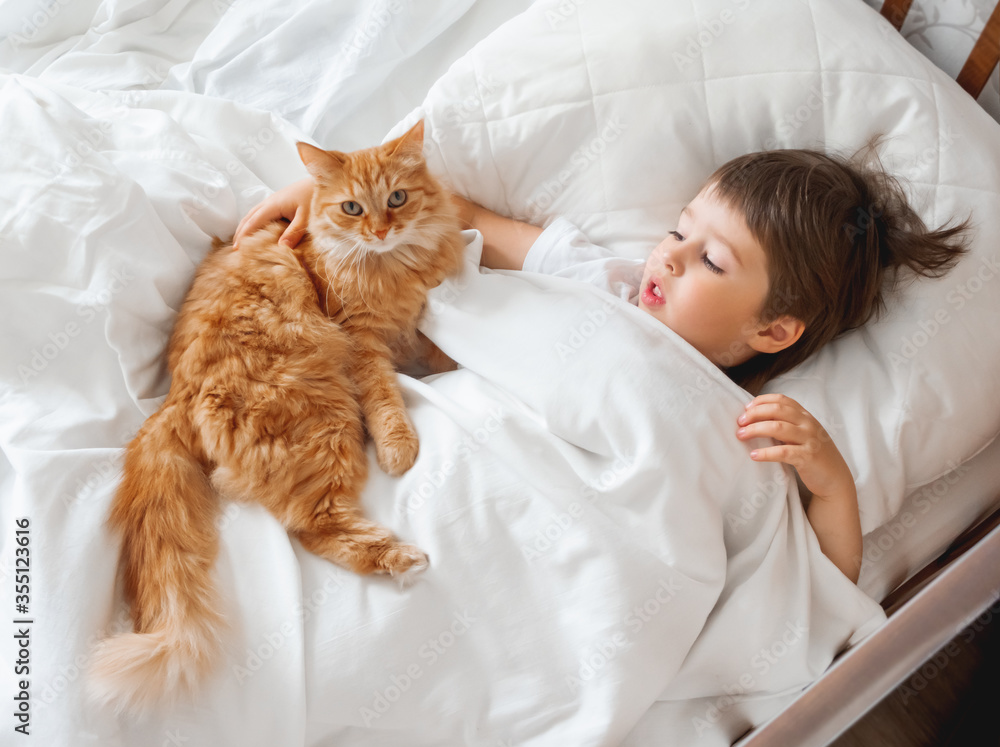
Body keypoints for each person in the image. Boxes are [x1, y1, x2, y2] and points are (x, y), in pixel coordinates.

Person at [232, 145, 970, 585]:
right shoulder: (604, 282)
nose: (668, 256)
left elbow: (820, 582)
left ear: (773, 330)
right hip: (454, 438)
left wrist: (831, 481)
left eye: (711, 261)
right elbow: (468, 220)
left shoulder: (749, 426)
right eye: (678, 231)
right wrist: (332, 198)